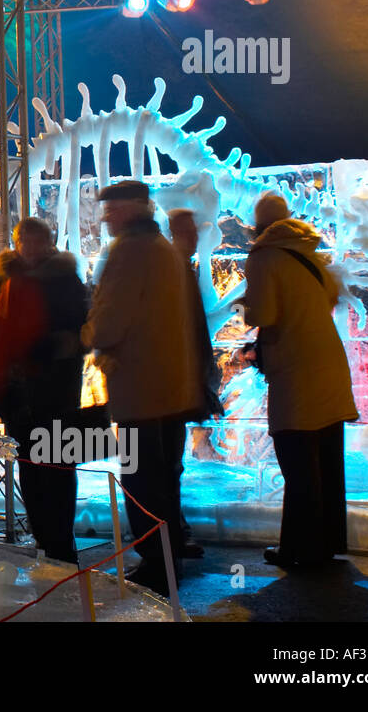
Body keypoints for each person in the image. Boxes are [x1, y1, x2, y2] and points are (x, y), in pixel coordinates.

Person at [81, 181, 200, 595]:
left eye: (112, 208)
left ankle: (156, 565)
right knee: (163, 476)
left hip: (139, 388)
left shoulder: (130, 251)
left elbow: (111, 319)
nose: (106, 216)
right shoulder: (163, 248)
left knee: (141, 479)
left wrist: (85, 333)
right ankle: (168, 558)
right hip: (168, 387)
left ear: (134, 207)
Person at [241, 193, 358, 568]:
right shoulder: (309, 253)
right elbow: (330, 298)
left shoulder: (263, 257)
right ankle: (323, 544)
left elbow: (264, 312)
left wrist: (242, 305)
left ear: (259, 225)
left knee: (297, 461)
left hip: (296, 371)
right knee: (325, 460)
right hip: (329, 365)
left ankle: (302, 551)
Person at [0, 217, 88, 563]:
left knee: (57, 465)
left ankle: (60, 541)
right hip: (18, 392)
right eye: (24, 241)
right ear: (16, 243)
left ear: (48, 243)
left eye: (36, 242)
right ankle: (44, 539)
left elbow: (82, 330)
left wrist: (53, 347)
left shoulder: (65, 280)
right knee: (29, 466)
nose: (30, 248)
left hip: (55, 391)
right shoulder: (4, 281)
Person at [167, 209, 224, 559]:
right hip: (168, 386)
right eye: (188, 231)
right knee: (163, 467)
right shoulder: (172, 268)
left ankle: (174, 535)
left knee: (169, 466)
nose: (194, 238)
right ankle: (170, 539)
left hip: (176, 385)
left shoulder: (180, 267)